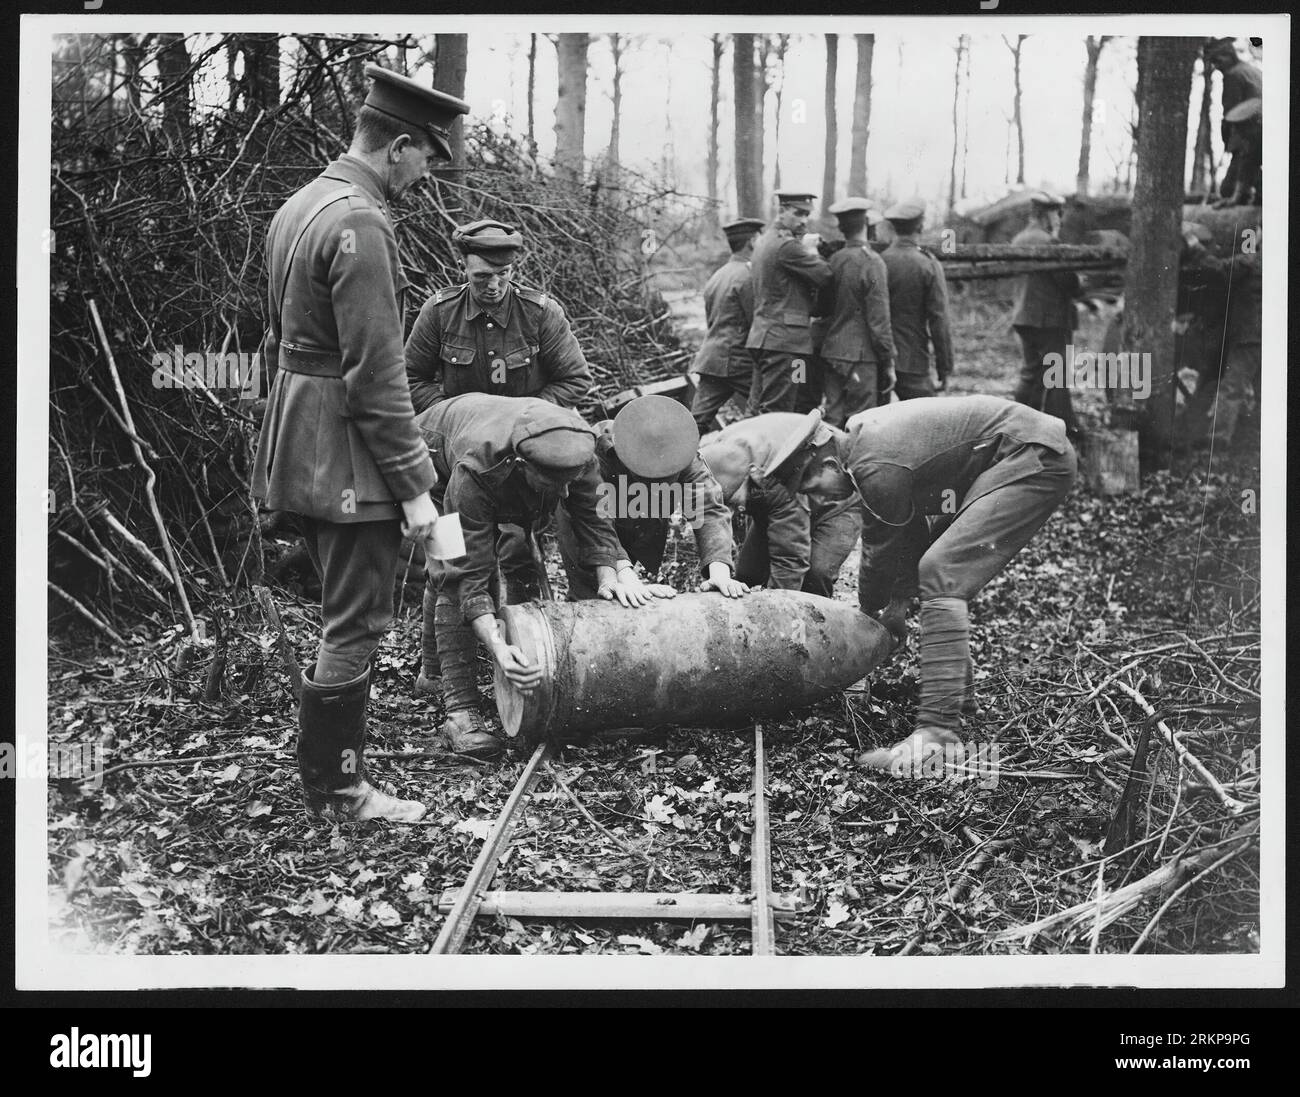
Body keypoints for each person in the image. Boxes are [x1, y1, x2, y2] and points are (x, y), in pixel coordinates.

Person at [251, 65, 469, 822]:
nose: (425, 177)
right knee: (358, 619)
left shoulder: (302, 203)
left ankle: (332, 779)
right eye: (426, 160)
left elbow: (284, 342)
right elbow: (376, 376)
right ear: (399, 146)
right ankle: (340, 790)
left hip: (298, 439)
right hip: (346, 451)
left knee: (339, 612)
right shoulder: (364, 222)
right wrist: (417, 491)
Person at [792, 396, 1075, 772]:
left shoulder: (874, 466)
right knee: (937, 563)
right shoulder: (866, 450)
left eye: (813, 486)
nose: (818, 498)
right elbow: (908, 533)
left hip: (1033, 456)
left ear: (829, 463)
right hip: (1019, 452)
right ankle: (962, 699)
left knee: (942, 571)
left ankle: (939, 733)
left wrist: (866, 611)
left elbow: (880, 551)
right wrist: (895, 608)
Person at [404, 219, 595, 694]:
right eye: (480, 277)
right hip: (446, 459)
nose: (492, 286)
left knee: (516, 555)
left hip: (519, 463)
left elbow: (575, 382)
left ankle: (529, 657)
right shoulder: (440, 312)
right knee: (448, 565)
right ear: (463, 269)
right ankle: (442, 680)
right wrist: (456, 415)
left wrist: (524, 424)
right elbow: (407, 381)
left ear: (515, 269)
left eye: (502, 275)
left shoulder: (541, 313)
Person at [416, 394, 653, 757]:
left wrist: (614, 573)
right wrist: (497, 646)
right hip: (432, 468)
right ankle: (459, 708)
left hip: (494, 447)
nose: (566, 493)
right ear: (522, 466)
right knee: (449, 572)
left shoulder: (576, 453)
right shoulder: (476, 473)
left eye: (570, 481)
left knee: (495, 564)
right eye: (554, 484)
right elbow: (468, 577)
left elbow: (593, 521)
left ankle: (433, 673)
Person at [557, 395, 746, 600]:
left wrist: (719, 572)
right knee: (597, 595)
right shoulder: (594, 453)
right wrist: (622, 574)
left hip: (640, 522)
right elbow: (594, 522)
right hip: (588, 526)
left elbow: (708, 507)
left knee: (633, 598)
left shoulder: (681, 449)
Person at [699, 409, 860, 598]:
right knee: (747, 574)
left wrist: (778, 614)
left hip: (840, 504)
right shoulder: (712, 461)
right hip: (778, 499)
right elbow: (713, 517)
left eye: (735, 503)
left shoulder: (772, 484)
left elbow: (790, 558)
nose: (736, 509)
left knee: (816, 576)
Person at [745, 191, 833, 415]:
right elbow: (824, 275)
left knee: (757, 408)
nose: (804, 220)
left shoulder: (766, 240)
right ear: (782, 211)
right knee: (780, 411)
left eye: (807, 214)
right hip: (785, 344)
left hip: (765, 339)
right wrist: (812, 250)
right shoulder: (788, 247)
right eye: (799, 213)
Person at [817, 197, 897, 426]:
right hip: (860, 357)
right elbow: (879, 320)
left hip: (832, 352)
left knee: (832, 418)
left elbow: (822, 308)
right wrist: (889, 361)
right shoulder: (872, 262)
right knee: (860, 421)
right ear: (866, 225)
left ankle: (829, 462)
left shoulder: (834, 259)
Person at [1010, 191, 1082, 435]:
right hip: (1049, 320)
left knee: (1032, 373)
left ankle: (1018, 426)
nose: (1058, 219)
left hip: (1024, 317)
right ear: (1046, 214)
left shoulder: (1018, 239)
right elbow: (1069, 282)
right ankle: (1062, 429)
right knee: (1056, 377)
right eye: (1056, 213)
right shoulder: (1050, 242)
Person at [690, 218, 765, 433]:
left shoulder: (718, 275)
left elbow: (712, 320)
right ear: (752, 242)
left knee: (695, 424)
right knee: (763, 412)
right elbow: (756, 325)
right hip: (738, 362)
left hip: (711, 360)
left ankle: (676, 464)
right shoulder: (749, 275)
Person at [881, 201, 954, 402]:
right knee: (931, 422)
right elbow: (939, 320)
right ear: (920, 227)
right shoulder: (927, 264)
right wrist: (944, 367)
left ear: (893, 228)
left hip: (878, 358)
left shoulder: (878, 260)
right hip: (912, 360)